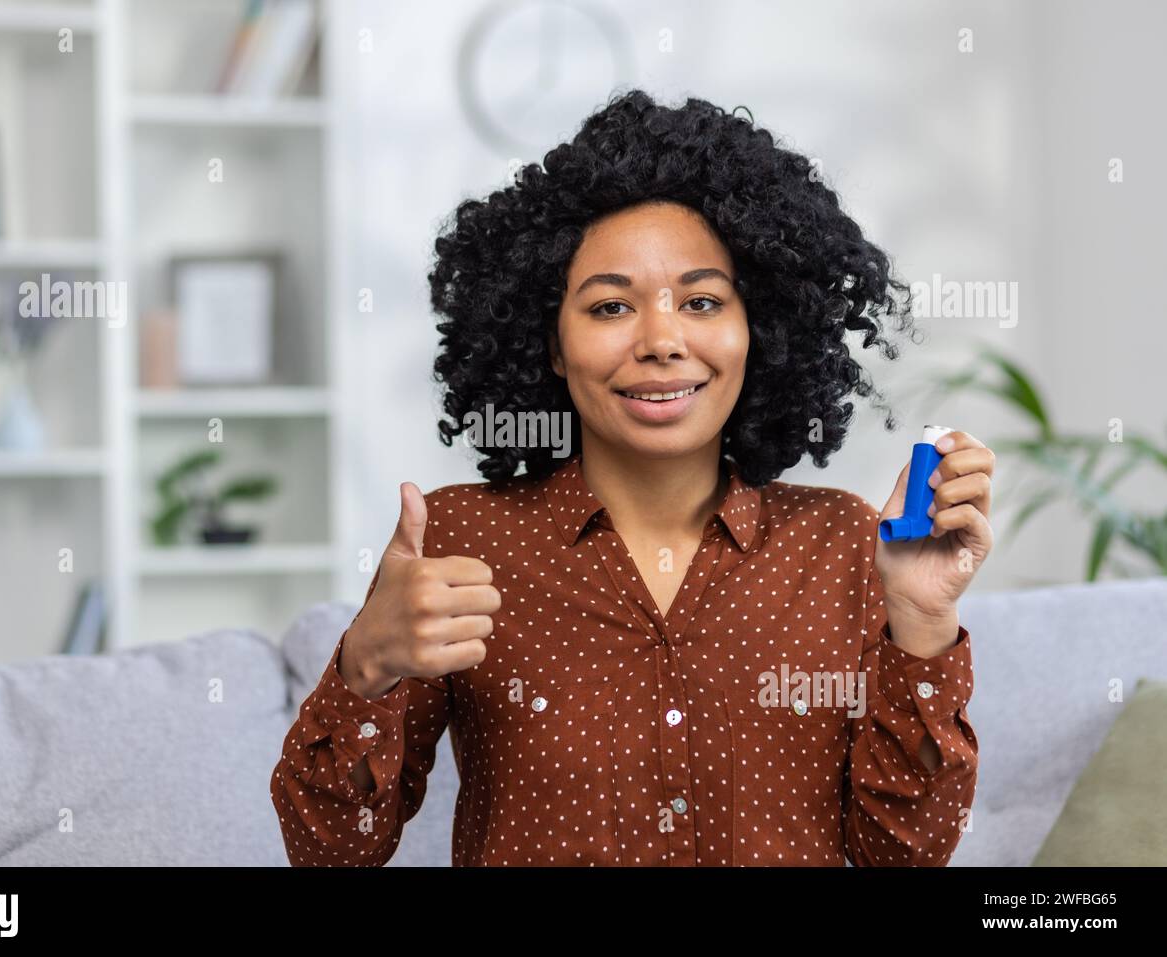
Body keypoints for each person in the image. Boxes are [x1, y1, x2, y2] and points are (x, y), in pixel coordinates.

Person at [271, 89, 992, 866]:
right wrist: (365, 669)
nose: (660, 340)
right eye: (611, 307)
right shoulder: (462, 540)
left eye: (703, 300)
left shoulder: (840, 541)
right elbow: (330, 851)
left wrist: (921, 625)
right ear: (550, 344)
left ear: (760, 328)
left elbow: (904, 854)